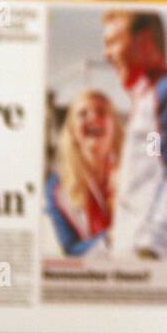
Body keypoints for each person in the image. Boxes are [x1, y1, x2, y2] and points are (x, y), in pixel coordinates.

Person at [103, 11, 167, 260]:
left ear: (144, 42)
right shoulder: (146, 97)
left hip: (147, 259)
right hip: (130, 255)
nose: (106, 54)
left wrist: (151, 246)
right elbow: (155, 166)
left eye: (112, 42)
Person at [45, 89, 122, 257]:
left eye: (101, 112)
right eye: (82, 113)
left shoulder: (134, 176)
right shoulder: (57, 188)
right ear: (72, 130)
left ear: (114, 127)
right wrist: (111, 238)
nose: (93, 117)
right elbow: (71, 250)